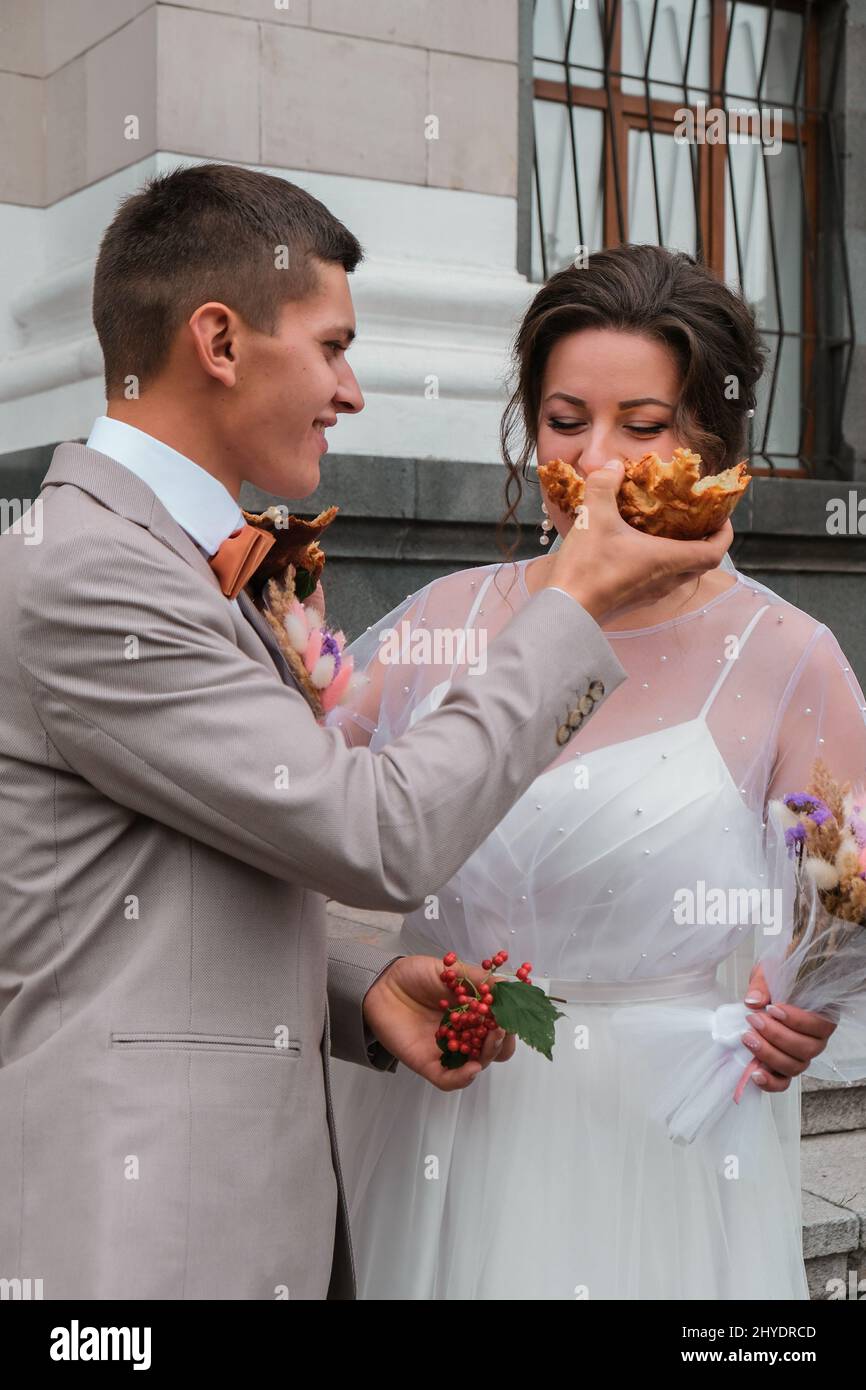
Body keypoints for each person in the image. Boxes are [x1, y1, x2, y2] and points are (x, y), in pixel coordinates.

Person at [0, 167, 732, 1301]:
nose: (350, 391)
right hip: (144, 1243)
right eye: (333, 346)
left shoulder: (165, 556)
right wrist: (571, 604)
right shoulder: (93, 572)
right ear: (219, 341)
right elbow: (374, 832)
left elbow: (178, 879)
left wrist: (360, 985)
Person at [325, 244, 865, 1299]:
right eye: (565, 420)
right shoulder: (444, 621)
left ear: (708, 440)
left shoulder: (785, 653)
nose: (598, 462)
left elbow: (844, 883)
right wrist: (364, 975)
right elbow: (299, 831)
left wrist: (811, 996)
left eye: (643, 424)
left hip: (658, 1140)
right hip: (447, 1103)